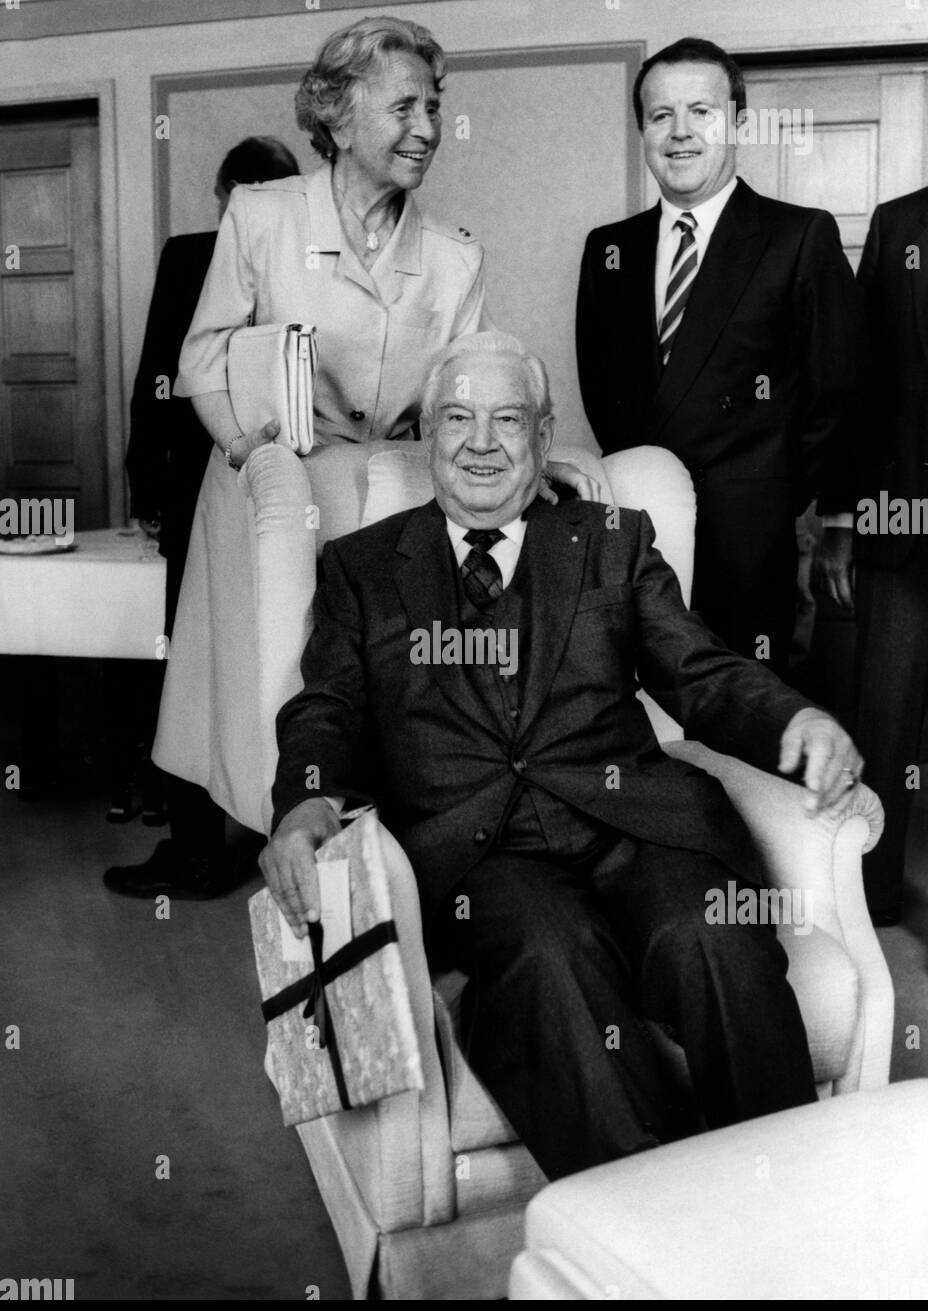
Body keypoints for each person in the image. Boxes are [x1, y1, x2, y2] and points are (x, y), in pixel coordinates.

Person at [261, 331, 863, 1180]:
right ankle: (638, 1230)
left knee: (709, 936)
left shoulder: (611, 539)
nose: (480, 442)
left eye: (507, 419)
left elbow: (699, 670)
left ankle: (787, 1202)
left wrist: (793, 718)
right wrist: (306, 801)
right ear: (428, 433)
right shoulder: (364, 569)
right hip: (484, 859)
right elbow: (325, 707)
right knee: (550, 959)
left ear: (543, 438)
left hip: (640, 825)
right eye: (458, 418)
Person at [107, 14, 594, 900]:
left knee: (359, 688)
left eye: (436, 107)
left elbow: (474, 378)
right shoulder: (262, 216)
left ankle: (361, 860)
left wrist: (539, 449)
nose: (429, 127)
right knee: (256, 697)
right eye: (404, 105)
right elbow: (203, 359)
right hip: (267, 492)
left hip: (377, 494)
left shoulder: (453, 256)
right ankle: (260, 849)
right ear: (337, 114)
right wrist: (248, 448)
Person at [576, 36, 860, 676]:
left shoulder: (798, 236)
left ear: (735, 121)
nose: (680, 133)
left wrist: (771, 491)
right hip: (637, 542)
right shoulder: (607, 250)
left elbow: (836, 396)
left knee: (745, 730)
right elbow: (603, 392)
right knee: (647, 732)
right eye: (660, 116)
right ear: (643, 130)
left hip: (749, 546)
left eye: (700, 112)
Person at [103, 137, 300, 890]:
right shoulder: (192, 253)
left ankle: (253, 835)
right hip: (203, 485)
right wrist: (147, 484)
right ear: (225, 199)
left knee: (270, 662)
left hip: (286, 489)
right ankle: (195, 844)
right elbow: (161, 371)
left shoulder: (300, 258)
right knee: (194, 665)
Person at [816, 187, 928, 926]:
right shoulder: (899, 223)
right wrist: (839, 514)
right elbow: (857, 384)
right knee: (884, 731)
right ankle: (875, 902)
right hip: (904, 530)